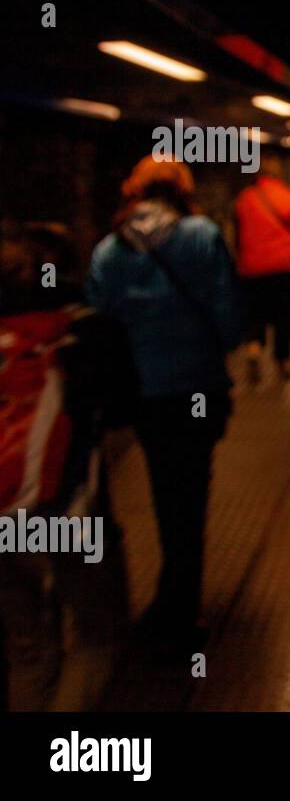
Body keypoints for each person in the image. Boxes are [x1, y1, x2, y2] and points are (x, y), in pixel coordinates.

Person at [86, 157, 241, 656]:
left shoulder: (109, 251)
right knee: (191, 492)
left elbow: (100, 319)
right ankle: (180, 607)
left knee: (163, 491)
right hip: (198, 388)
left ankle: (169, 600)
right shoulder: (202, 236)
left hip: (146, 393)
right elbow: (229, 315)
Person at [0, 222, 132, 708]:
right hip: (68, 512)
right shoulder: (86, 329)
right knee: (99, 637)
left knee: (29, 648)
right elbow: (122, 409)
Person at [233, 152, 290, 382]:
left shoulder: (245, 199)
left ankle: (253, 350)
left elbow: (238, 237)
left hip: (253, 268)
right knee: (284, 315)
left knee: (255, 314)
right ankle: (282, 361)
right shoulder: (289, 197)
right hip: (285, 268)